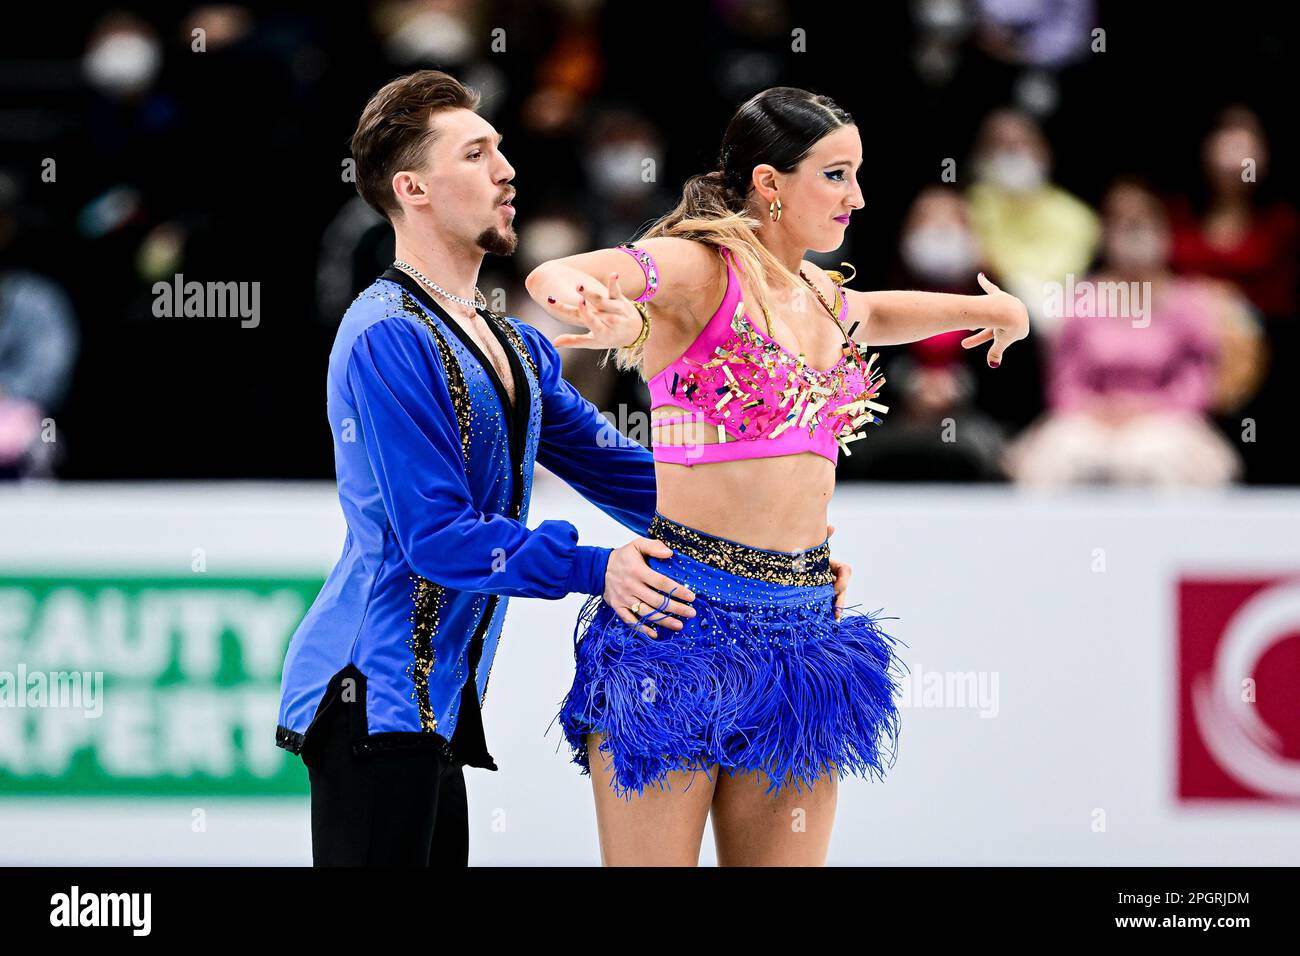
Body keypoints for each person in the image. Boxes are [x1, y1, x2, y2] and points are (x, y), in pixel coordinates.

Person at [526, 86, 1029, 866]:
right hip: (682, 624)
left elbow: (884, 313)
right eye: (835, 175)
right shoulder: (699, 270)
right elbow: (558, 272)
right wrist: (598, 303)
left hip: (803, 636)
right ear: (769, 183)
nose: (856, 197)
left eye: (857, 175)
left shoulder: (825, 301)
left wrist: (991, 313)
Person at [275, 70, 707, 867]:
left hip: (431, 709)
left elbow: (625, 475)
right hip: (367, 695)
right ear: (414, 189)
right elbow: (436, 537)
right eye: (475, 154)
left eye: (501, 150)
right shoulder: (386, 335)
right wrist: (594, 566)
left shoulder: (514, 346)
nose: (507, 170)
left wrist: (769, 539)